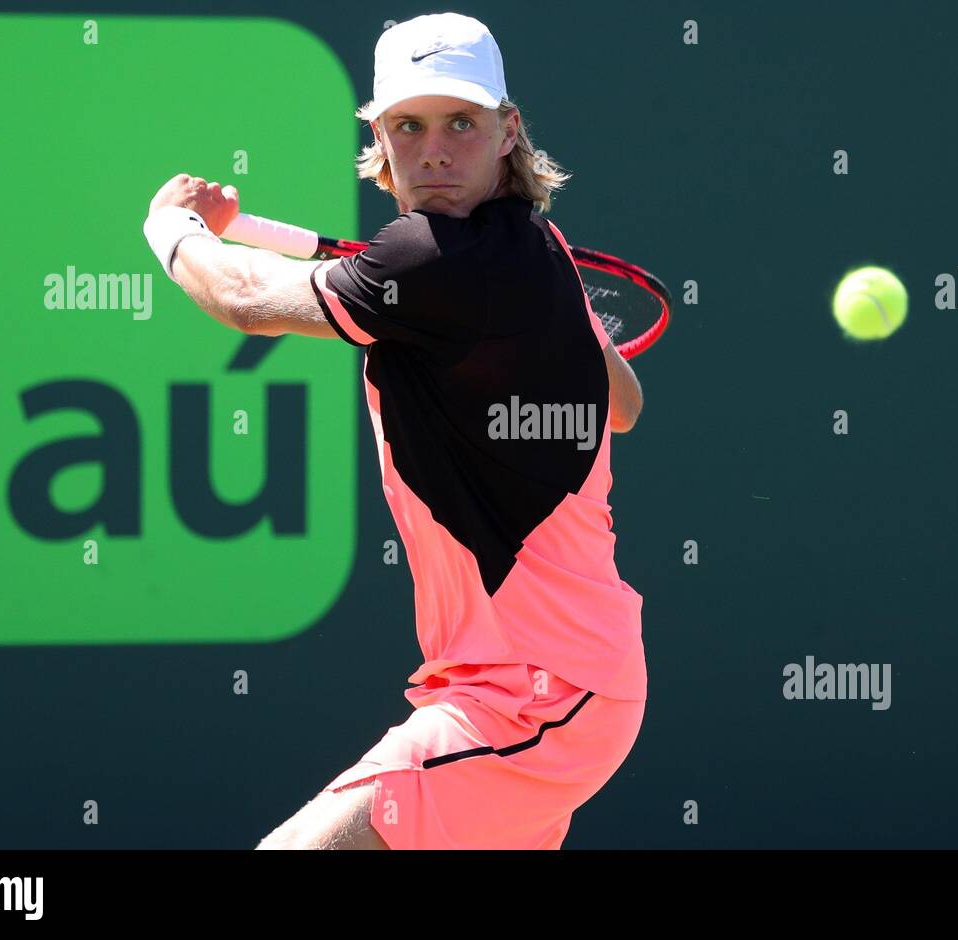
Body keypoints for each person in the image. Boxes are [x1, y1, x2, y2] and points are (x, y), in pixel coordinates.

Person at [142, 12, 647, 849]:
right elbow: (621, 403)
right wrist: (549, 329)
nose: (436, 151)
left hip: (539, 695)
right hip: (536, 686)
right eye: (408, 126)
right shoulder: (535, 249)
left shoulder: (436, 261)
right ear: (380, 139)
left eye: (462, 122)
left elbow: (241, 300)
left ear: (506, 130)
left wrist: (172, 226)